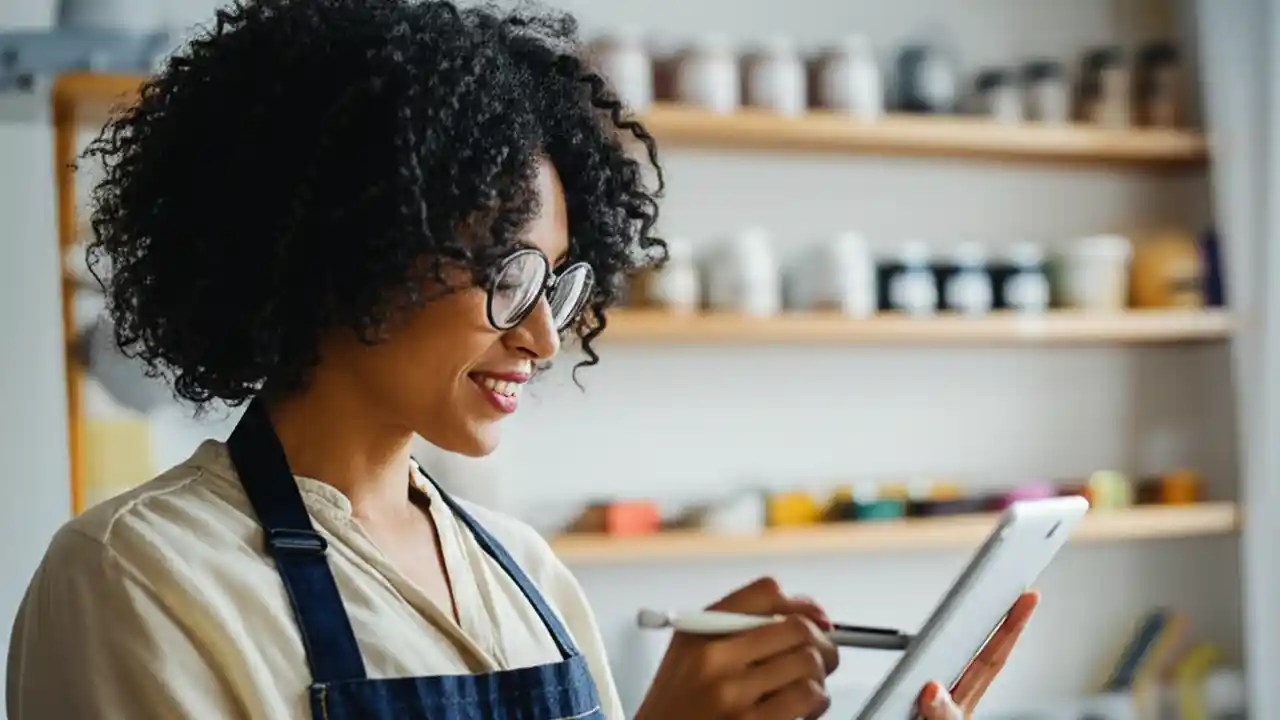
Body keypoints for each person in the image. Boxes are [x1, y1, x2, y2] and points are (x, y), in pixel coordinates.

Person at [7, 1, 1037, 718]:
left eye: (557, 283)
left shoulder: (524, 572)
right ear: (349, 253)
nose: (543, 336)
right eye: (507, 276)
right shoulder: (140, 580)